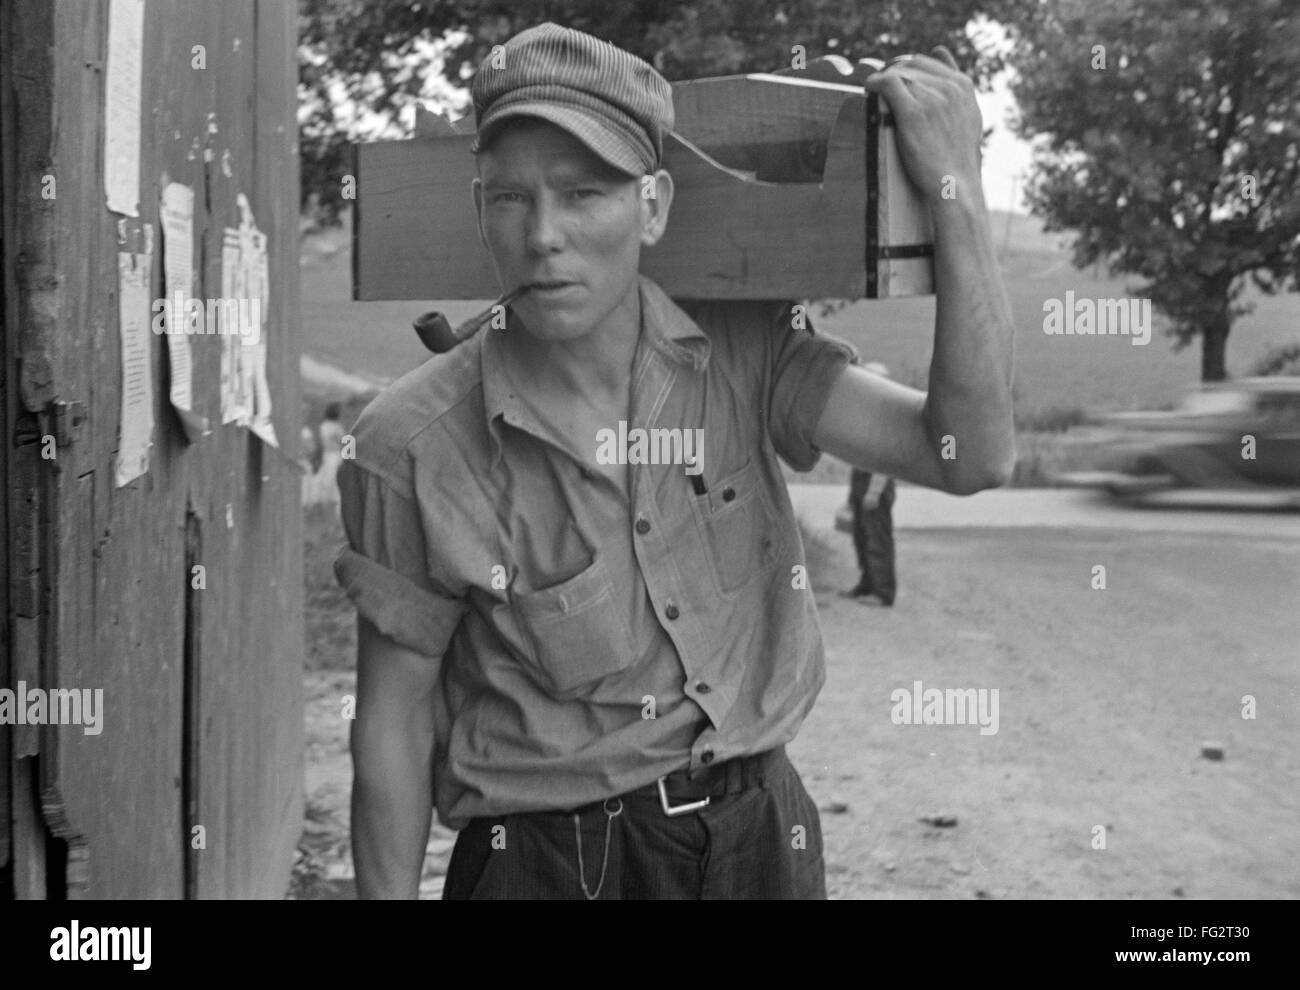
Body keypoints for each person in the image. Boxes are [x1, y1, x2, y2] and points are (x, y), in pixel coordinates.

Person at [334, 22, 1015, 899]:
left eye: (585, 193)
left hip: (760, 835)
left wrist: (956, 191)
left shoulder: (745, 349)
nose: (543, 235)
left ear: (652, 206)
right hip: (548, 865)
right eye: (510, 198)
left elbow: (972, 456)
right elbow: (391, 724)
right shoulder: (413, 444)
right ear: (479, 210)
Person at [843, 363, 897, 606]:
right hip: (861, 479)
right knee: (861, 536)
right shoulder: (867, 415)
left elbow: (885, 461)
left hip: (876, 481)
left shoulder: (886, 418)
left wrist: (873, 491)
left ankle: (883, 591)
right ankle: (867, 584)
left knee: (877, 538)